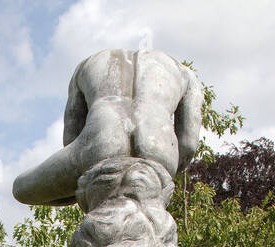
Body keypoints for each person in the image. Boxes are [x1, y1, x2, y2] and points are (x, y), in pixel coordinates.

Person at [12, 48, 202, 207]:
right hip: (159, 149)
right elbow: (188, 144)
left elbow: (71, 137)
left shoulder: (85, 66)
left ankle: (85, 196)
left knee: (20, 189)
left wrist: (82, 188)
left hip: (99, 144)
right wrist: (162, 167)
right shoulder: (184, 73)